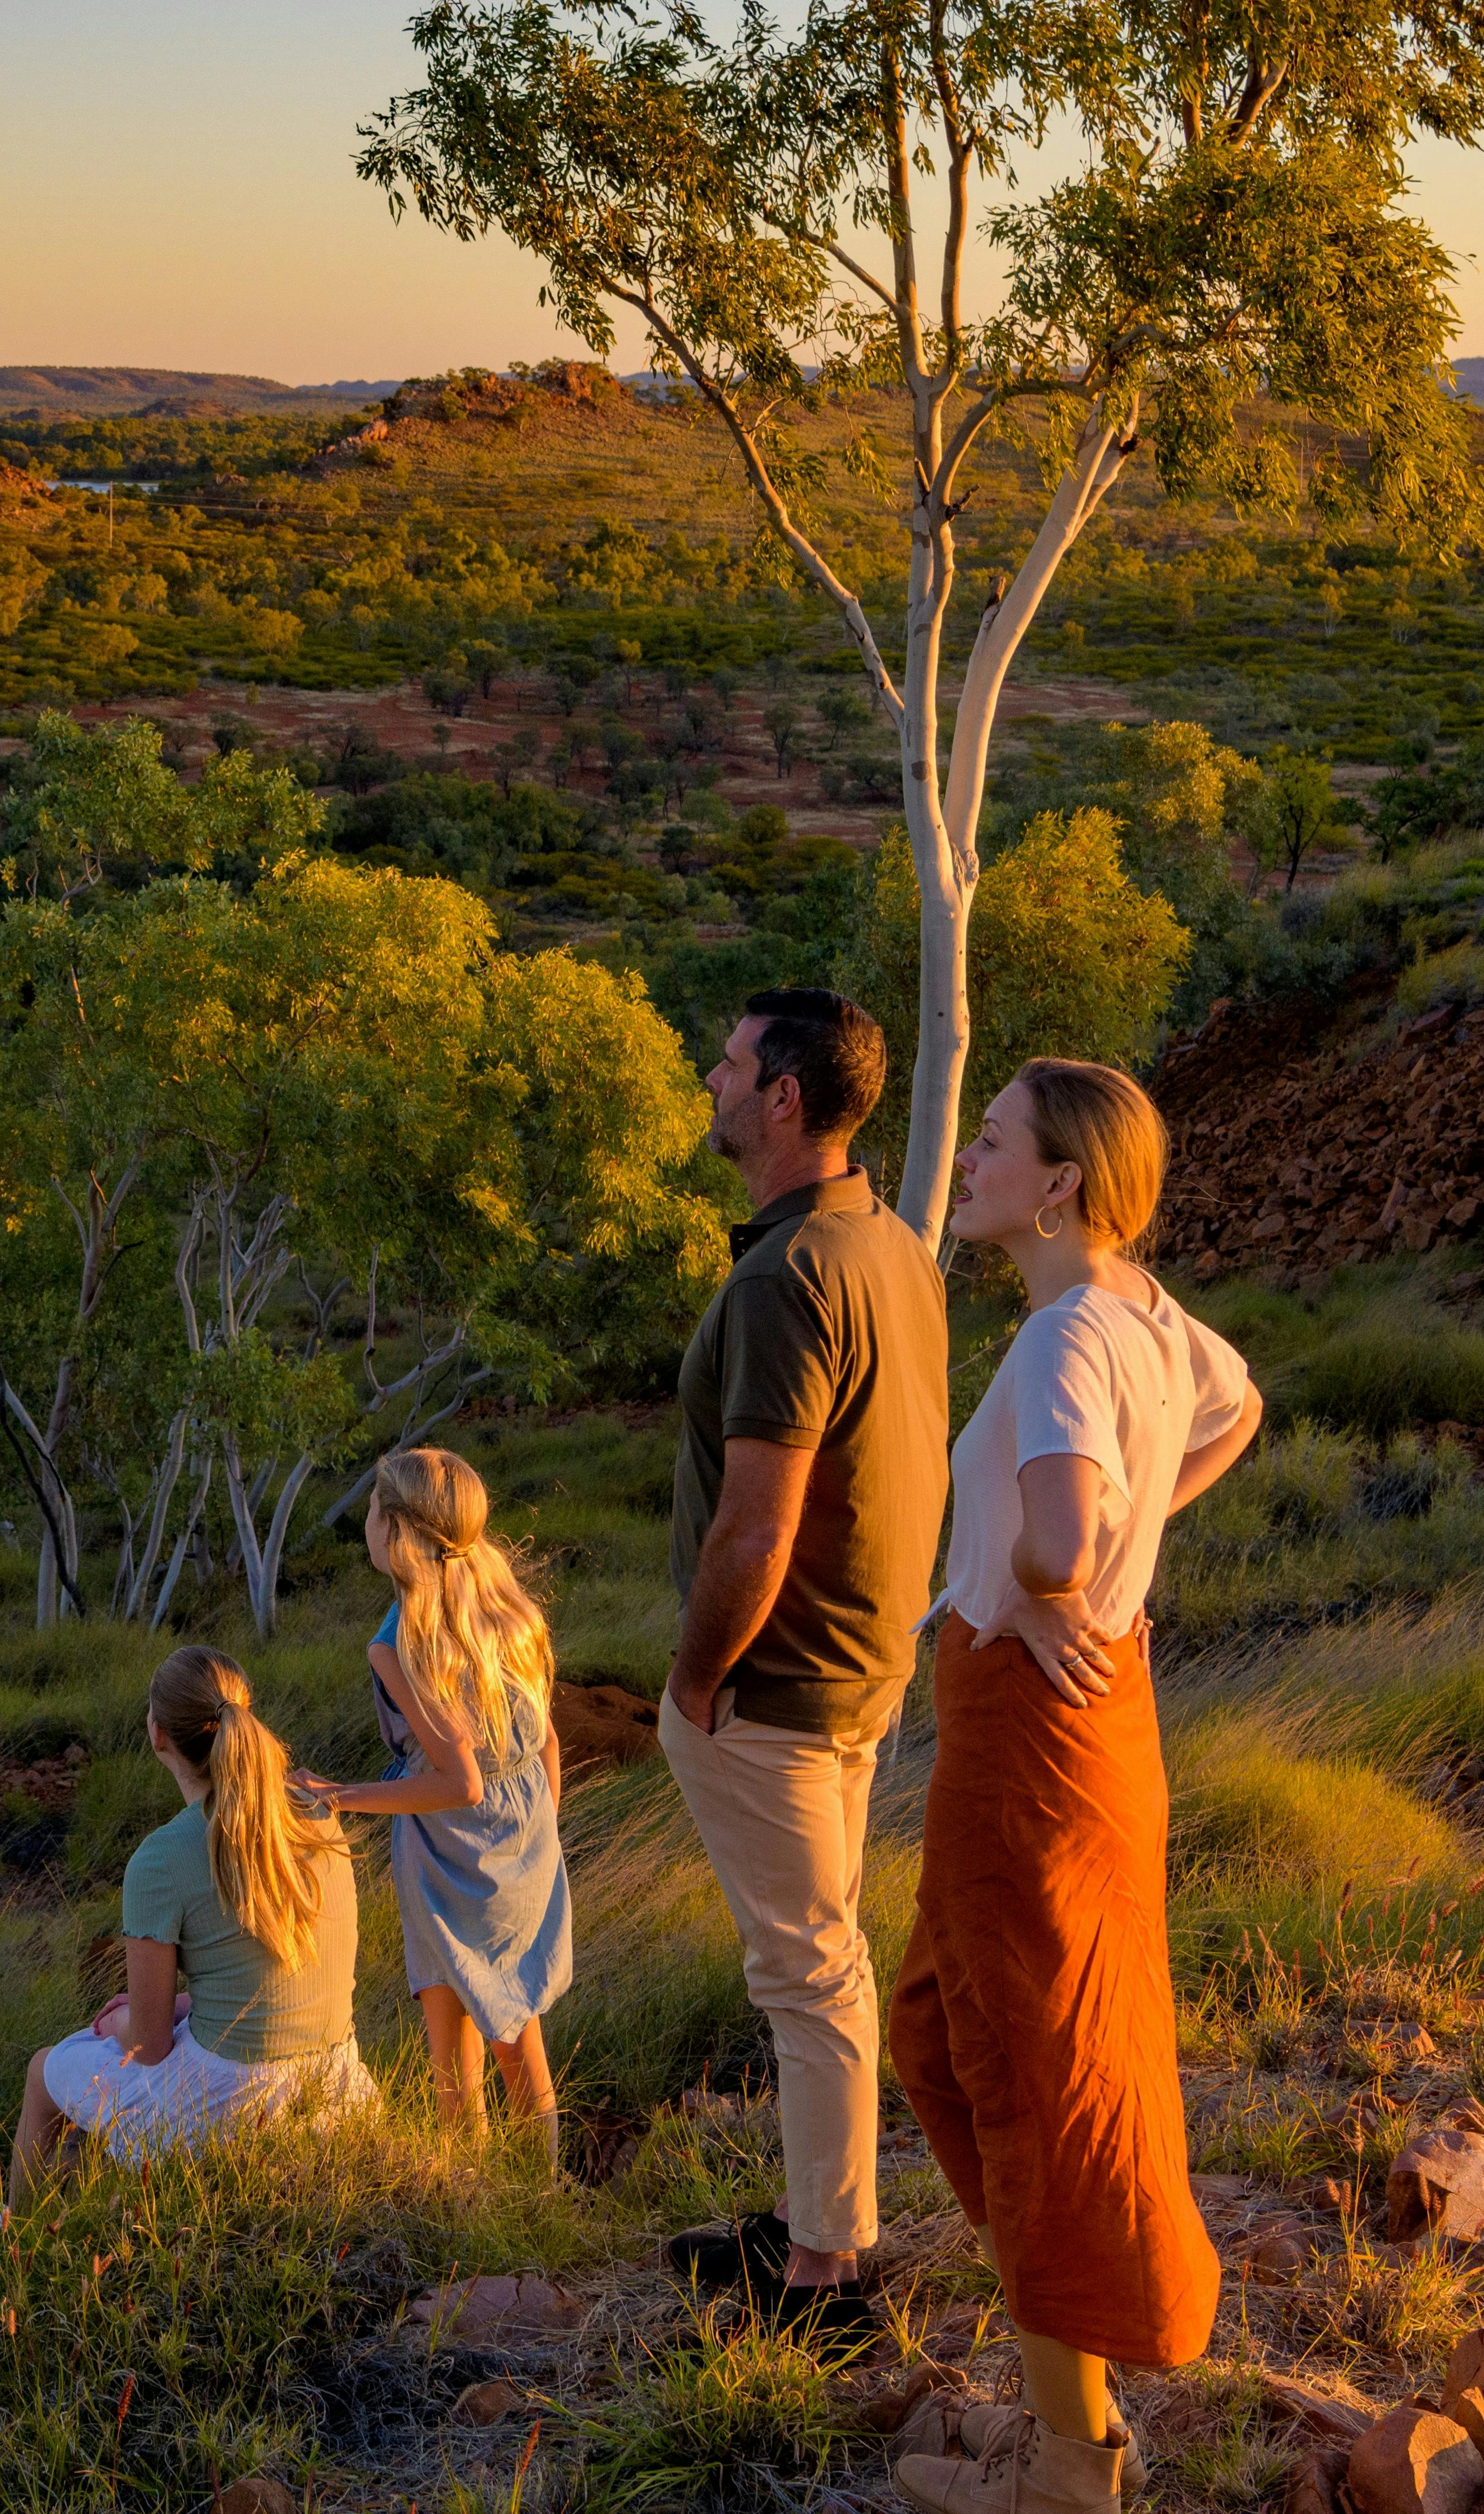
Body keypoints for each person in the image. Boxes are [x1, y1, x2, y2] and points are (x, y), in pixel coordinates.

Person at [886, 1059, 1259, 2514]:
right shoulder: (1145, 1316)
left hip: (1032, 1729)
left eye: (992, 1142)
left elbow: (1059, 1524)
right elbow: (1234, 1409)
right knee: (970, 2033)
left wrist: (1062, 1572)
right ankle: (1074, 2403)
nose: (969, 1158)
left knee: (1026, 2069)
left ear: (1058, 1182)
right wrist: (1111, 1550)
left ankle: (1066, 2467)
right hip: (1095, 1726)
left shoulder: (1060, 1343)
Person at [655, 986, 945, 2347]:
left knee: (807, 1972)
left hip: (777, 1681)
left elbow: (756, 1520)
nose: (708, 1078)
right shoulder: (887, 1244)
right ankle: (820, 2222)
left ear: (781, 1097)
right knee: (823, 1962)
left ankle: (826, 2276)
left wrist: (695, 1680)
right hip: (861, 1663)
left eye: (725, 1062)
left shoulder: (787, 1277)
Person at [11, 1645, 375, 2198]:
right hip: (337, 2081)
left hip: (231, 2103)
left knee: (45, 2069)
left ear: (158, 1735)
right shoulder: (314, 1808)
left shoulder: (159, 1859)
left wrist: (115, 2023)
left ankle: (16, 2239)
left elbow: (149, 2045)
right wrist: (185, 2005)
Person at [292, 1446, 570, 2169]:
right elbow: (546, 1740)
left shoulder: (399, 1644)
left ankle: (474, 2213)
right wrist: (539, 1841)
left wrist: (343, 1796)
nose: (366, 1521)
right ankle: (545, 2202)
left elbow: (460, 1782)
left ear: (395, 1531)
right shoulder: (504, 1601)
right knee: (521, 2041)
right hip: (523, 1841)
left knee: (454, 2063)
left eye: (374, 1509)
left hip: (452, 1851)